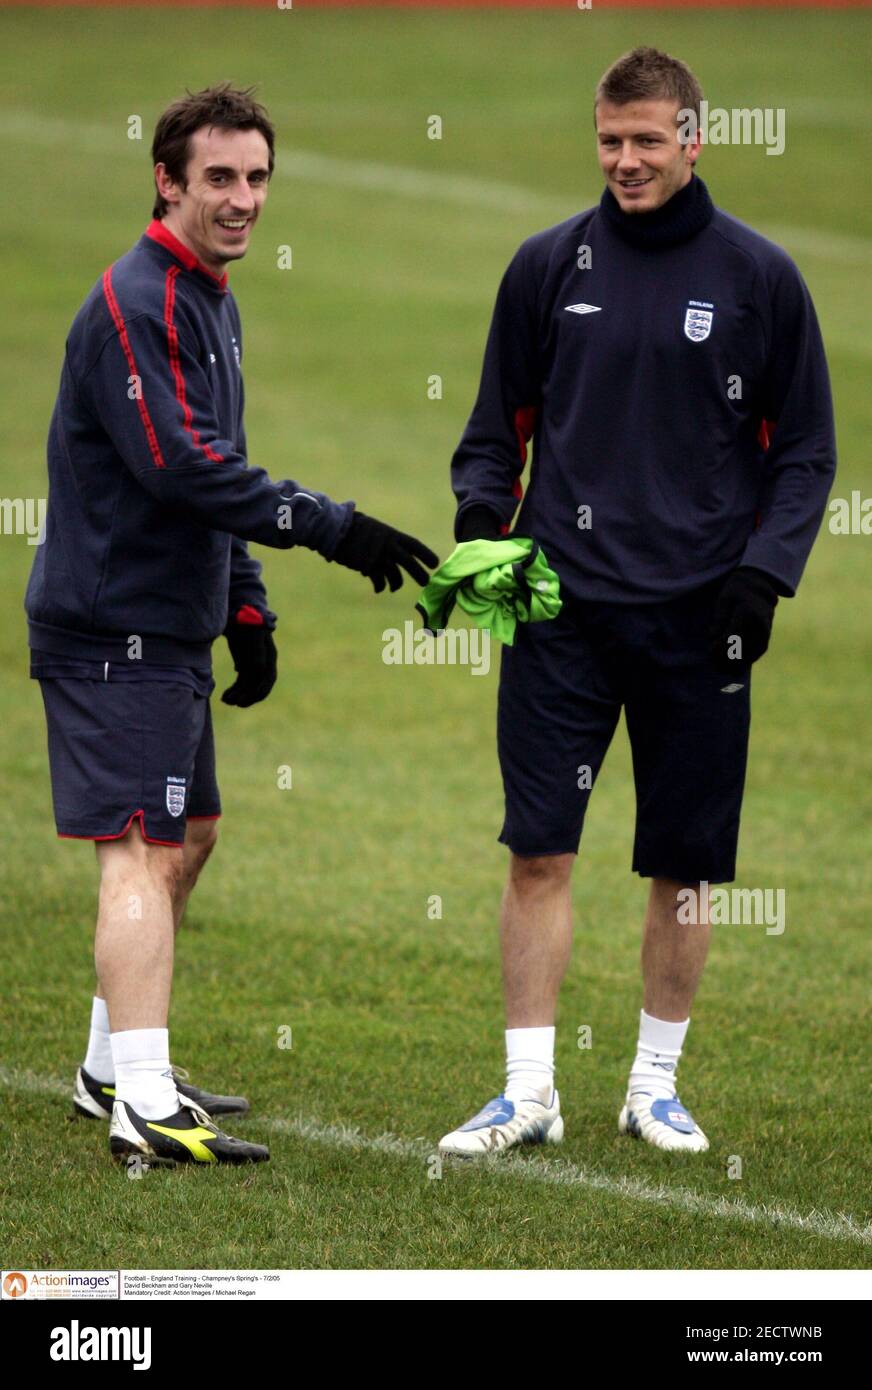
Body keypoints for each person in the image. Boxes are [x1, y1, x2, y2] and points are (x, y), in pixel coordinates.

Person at [26, 83, 437, 1168]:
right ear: (167, 180)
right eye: (219, 177)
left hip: (166, 625)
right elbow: (178, 462)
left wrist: (243, 598)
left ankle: (114, 1064)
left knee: (188, 835)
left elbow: (213, 466)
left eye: (256, 177)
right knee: (138, 847)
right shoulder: (137, 300)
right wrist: (331, 526)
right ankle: (145, 1105)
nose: (243, 198)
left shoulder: (209, 296)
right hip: (111, 628)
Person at [438, 47, 835, 1157]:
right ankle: (527, 1092)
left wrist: (763, 576)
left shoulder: (758, 279)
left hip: (698, 619)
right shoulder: (544, 265)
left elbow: (804, 451)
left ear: (692, 138)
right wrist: (483, 534)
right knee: (536, 851)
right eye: (609, 140)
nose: (624, 159)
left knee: (686, 865)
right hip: (560, 611)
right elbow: (492, 431)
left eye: (646, 140)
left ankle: (651, 1087)